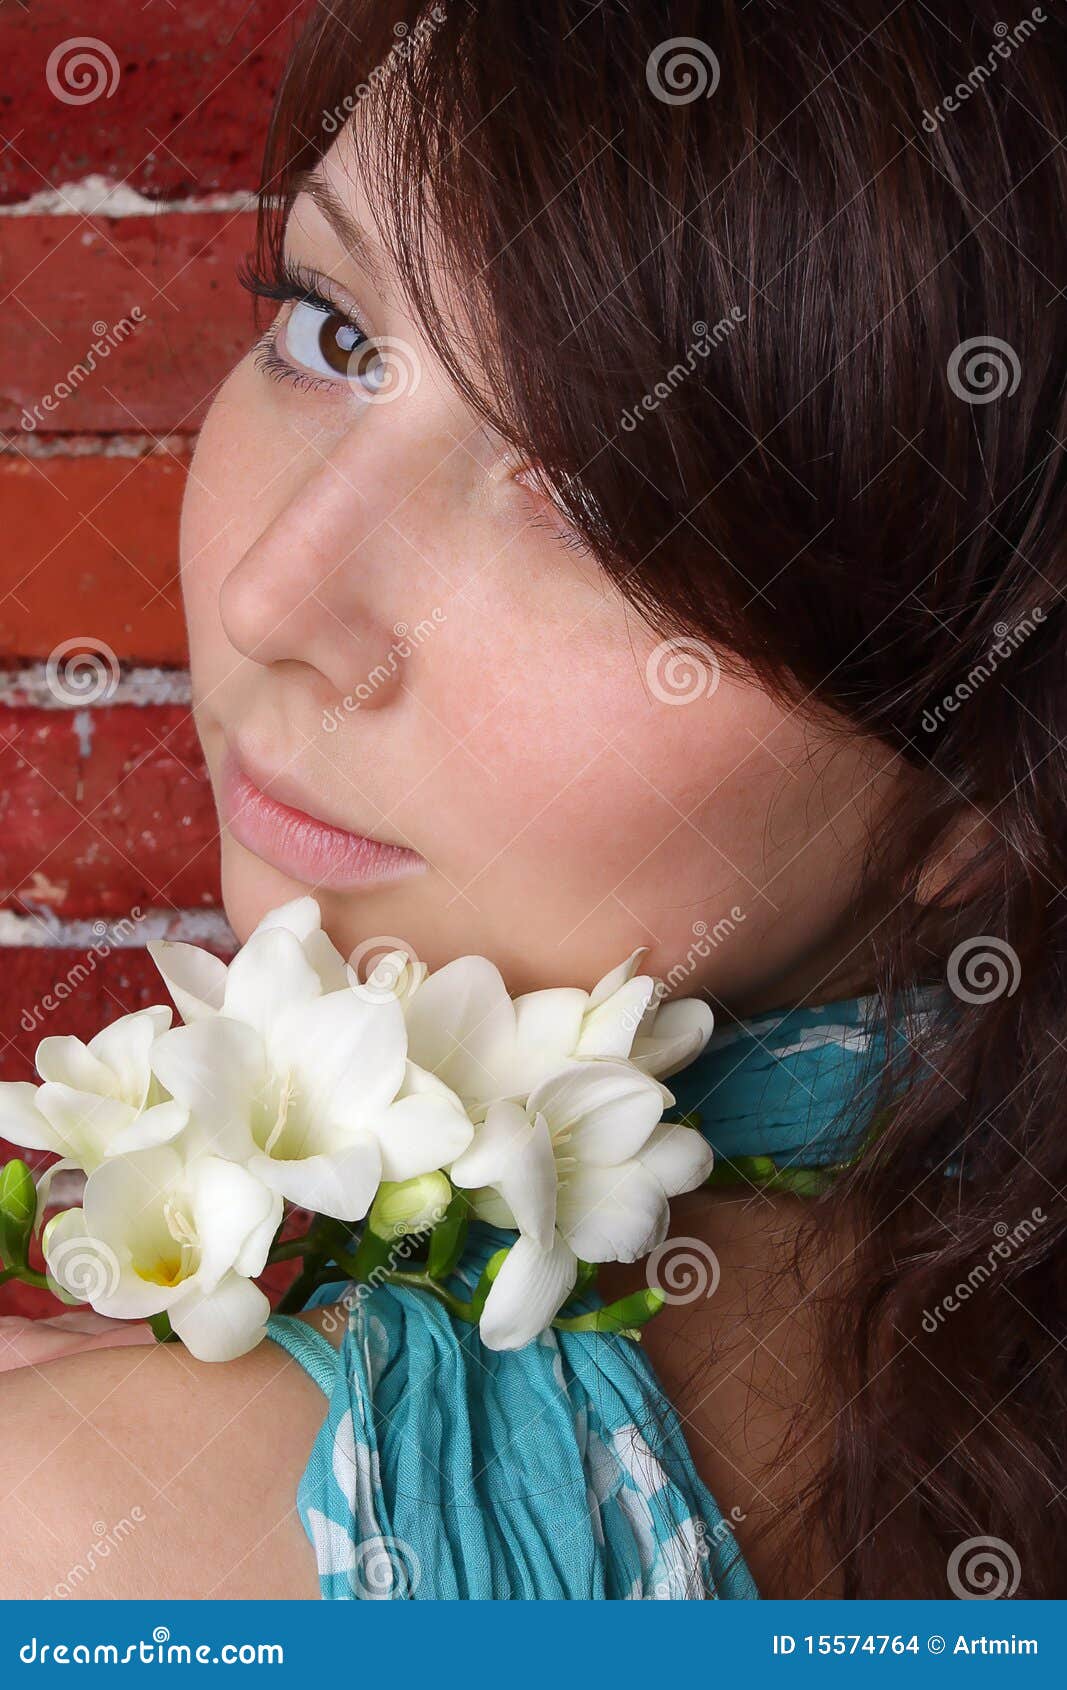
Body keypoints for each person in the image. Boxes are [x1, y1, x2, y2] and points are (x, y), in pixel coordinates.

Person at [2, 0, 1064, 1599]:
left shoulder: (92, 1537)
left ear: (989, 776)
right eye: (330, 332)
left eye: (593, 492)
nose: (276, 596)